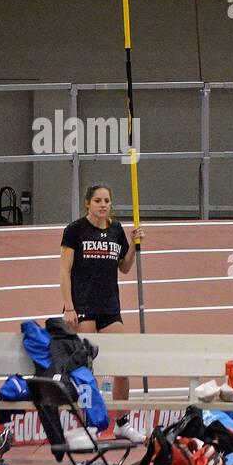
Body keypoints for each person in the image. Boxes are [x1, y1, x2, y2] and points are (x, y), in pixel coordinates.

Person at [59, 184, 145, 442]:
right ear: (88, 203)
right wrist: (69, 307)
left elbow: (126, 268)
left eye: (107, 200)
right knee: (88, 369)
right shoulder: (74, 231)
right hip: (83, 307)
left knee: (122, 365)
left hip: (109, 306)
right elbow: (64, 270)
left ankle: (121, 423)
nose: (103, 204)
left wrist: (133, 244)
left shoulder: (116, 229)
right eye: (98, 200)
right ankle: (91, 425)